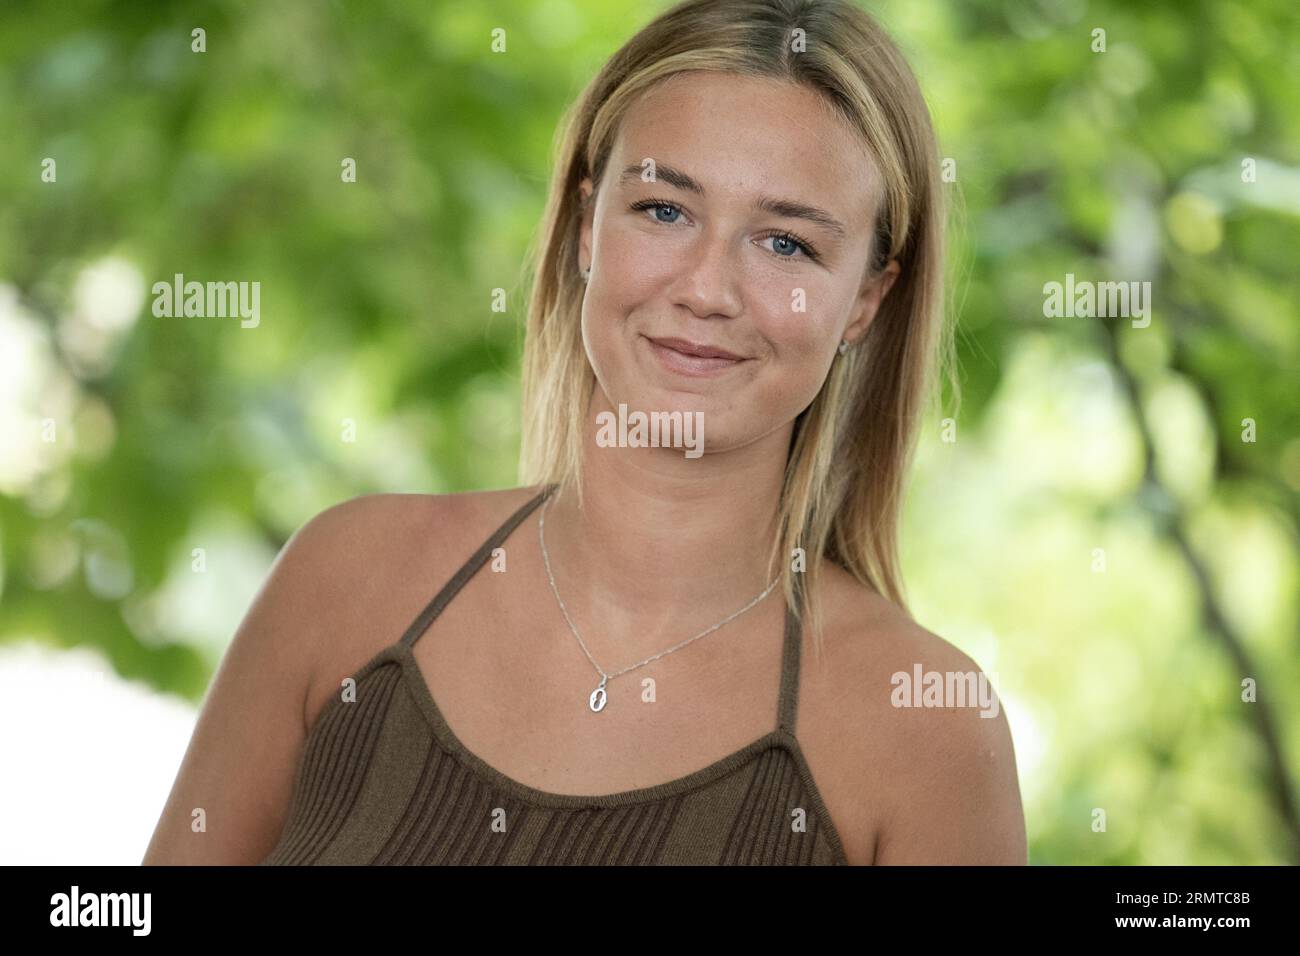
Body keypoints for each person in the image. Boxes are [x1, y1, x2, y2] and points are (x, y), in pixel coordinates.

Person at [143, 0, 1026, 866]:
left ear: (864, 302)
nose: (707, 290)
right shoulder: (347, 579)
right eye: (665, 211)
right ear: (584, 227)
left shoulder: (926, 730)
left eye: (786, 244)